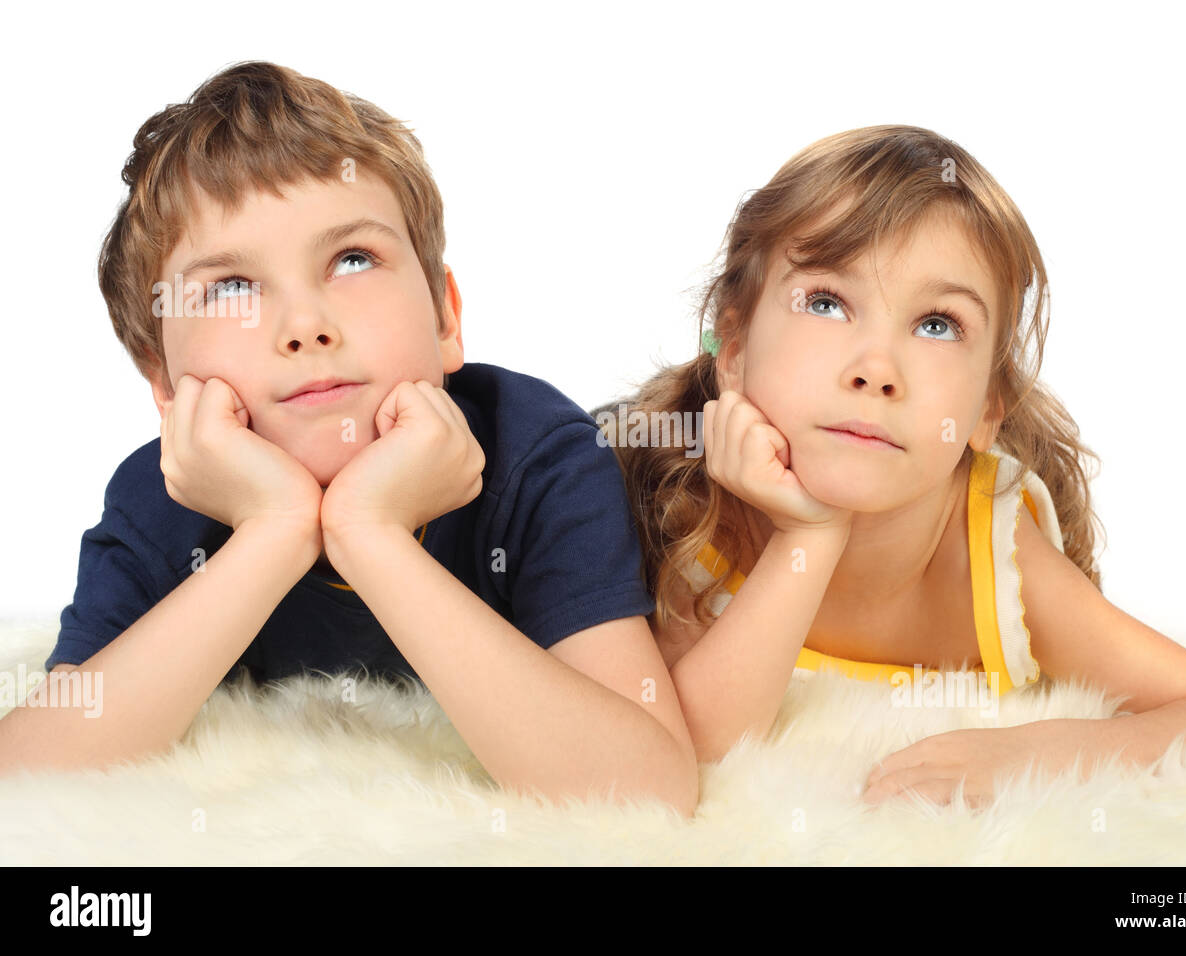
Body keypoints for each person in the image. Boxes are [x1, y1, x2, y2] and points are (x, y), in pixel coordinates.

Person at [0, 61, 698, 816]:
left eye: (352, 259)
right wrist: (274, 532)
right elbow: (27, 777)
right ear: (164, 384)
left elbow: (649, 790)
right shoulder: (155, 502)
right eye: (232, 287)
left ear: (444, 318)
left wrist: (371, 536)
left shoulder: (539, 457)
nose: (306, 327)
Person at [607, 125, 1186, 807]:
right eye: (828, 303)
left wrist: (1034, 752)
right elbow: (693, 746)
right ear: (736, 345)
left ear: (987, 407)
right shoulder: (693, 501)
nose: (876, 369)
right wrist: (811, 535)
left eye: (937, 324)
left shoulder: (993, 556)